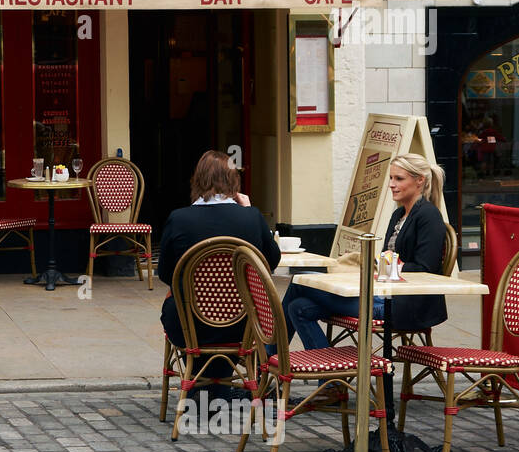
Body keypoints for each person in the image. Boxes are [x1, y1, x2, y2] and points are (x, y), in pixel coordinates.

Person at [282, 153, 448, 351]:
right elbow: (389, 257)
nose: (392, 184)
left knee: (299, 282)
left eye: (399, 179)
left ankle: (268, 359)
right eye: (391, 178)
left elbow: (424, 268)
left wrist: (381, 270)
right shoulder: (399, 214)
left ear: (420, 180)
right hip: (383, 295)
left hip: (403, 306)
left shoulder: (428, 215)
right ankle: (331, 377)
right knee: (298, 307)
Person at [158, 151, 281, 390]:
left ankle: (203, 382)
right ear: (234, 182)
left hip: (190, 325)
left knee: (173, 301)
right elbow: (272, 261)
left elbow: (165, 274)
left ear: (197, 180)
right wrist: (249, 209)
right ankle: (218, 384)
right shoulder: (251, 218)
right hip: (243, 325)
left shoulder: (179, 218)